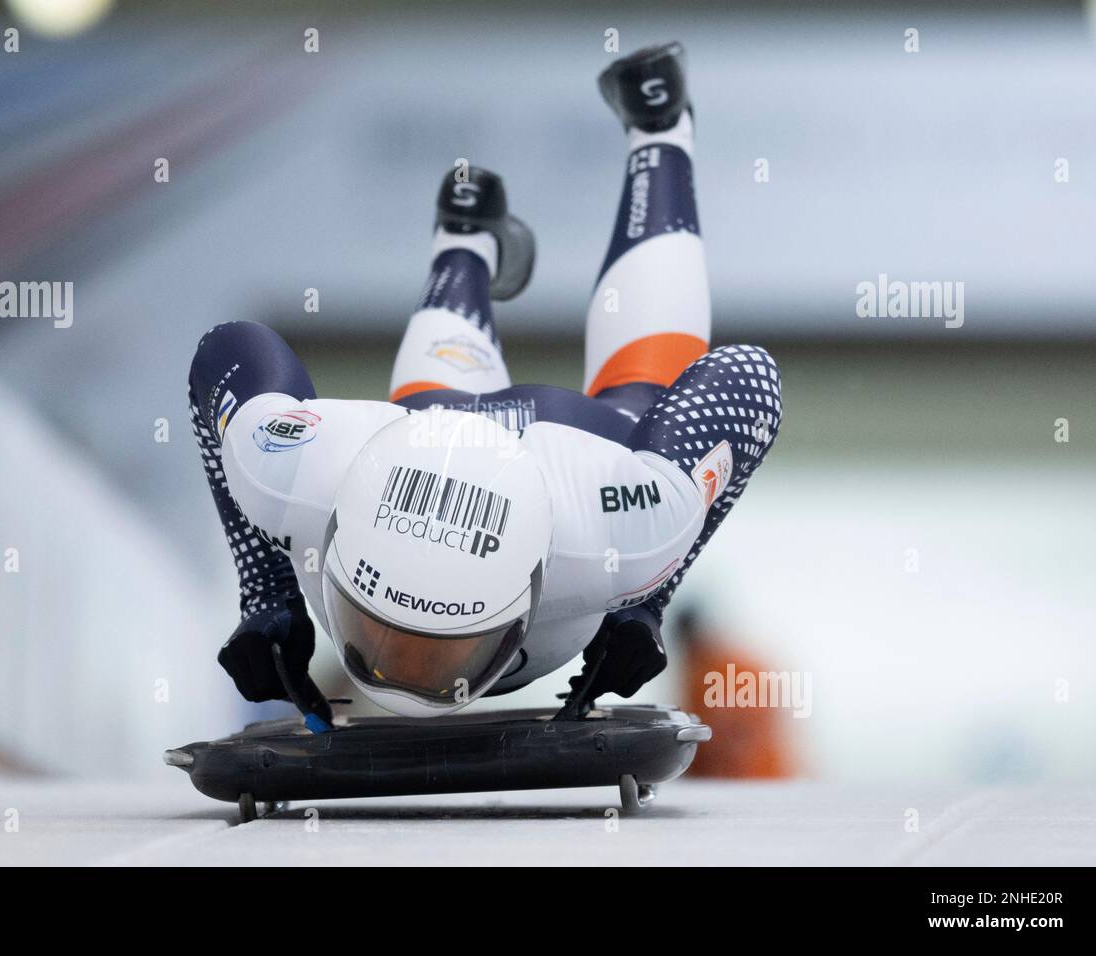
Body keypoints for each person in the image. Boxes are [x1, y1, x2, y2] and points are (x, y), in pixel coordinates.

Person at [187, 42, 783, 720]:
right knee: (628, 390)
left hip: (542, 451)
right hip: (442, 433)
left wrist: (645, 595)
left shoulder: (619, 529)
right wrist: (644, 600)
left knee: (607, 393)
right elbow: (749, 379)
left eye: (443, 656)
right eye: (380, 635)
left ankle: (520, 207)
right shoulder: (305, 468)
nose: (401, 675)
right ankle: (517, 205)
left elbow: (228, 354)